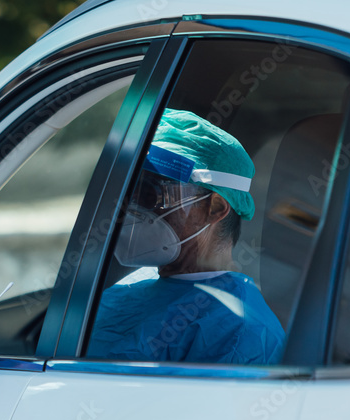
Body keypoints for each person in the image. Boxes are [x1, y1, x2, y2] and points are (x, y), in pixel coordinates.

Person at [86, 109, 285, 364]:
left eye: (150, 194)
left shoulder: (241, 333)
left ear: (215, 207)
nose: (130, 210)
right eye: (128, 192)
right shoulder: (133, 286)